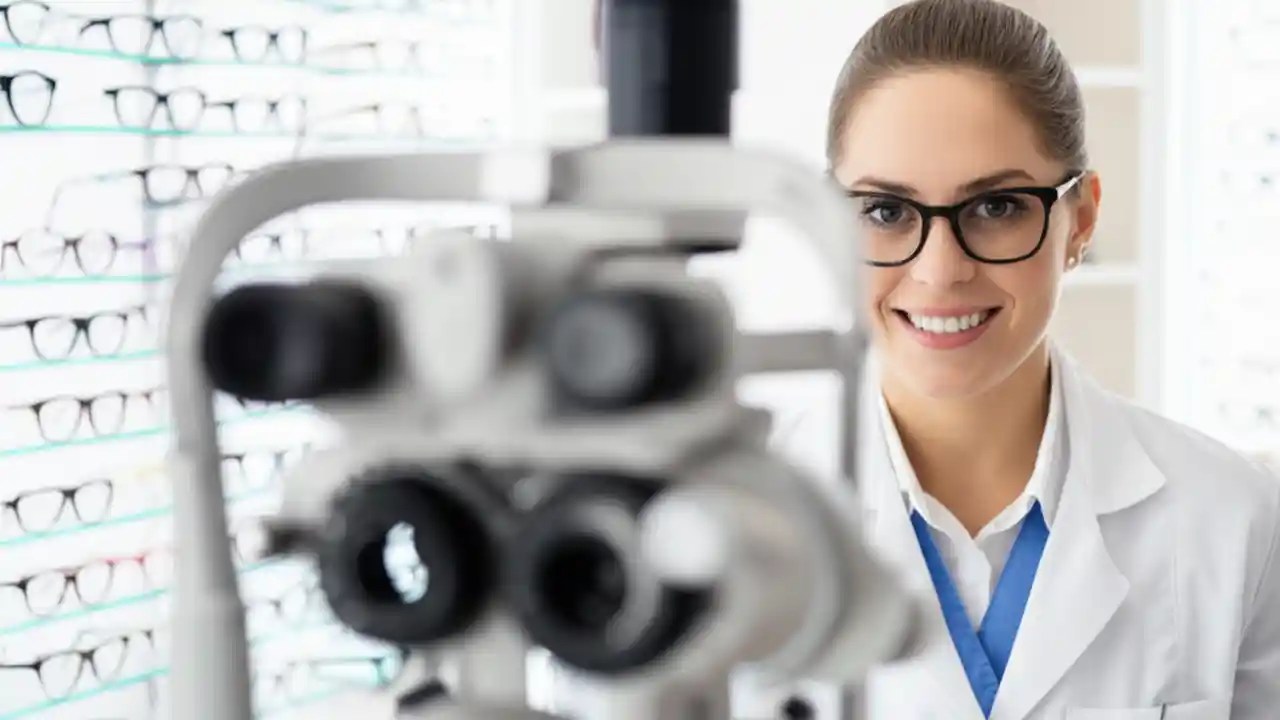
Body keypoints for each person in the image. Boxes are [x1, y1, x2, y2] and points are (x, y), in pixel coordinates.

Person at [827, 1, 1280, 718]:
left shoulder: (1233, 520)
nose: (940, 271)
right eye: (886, 212)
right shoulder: (719, 518)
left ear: (1082, 220)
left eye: (998, 205)